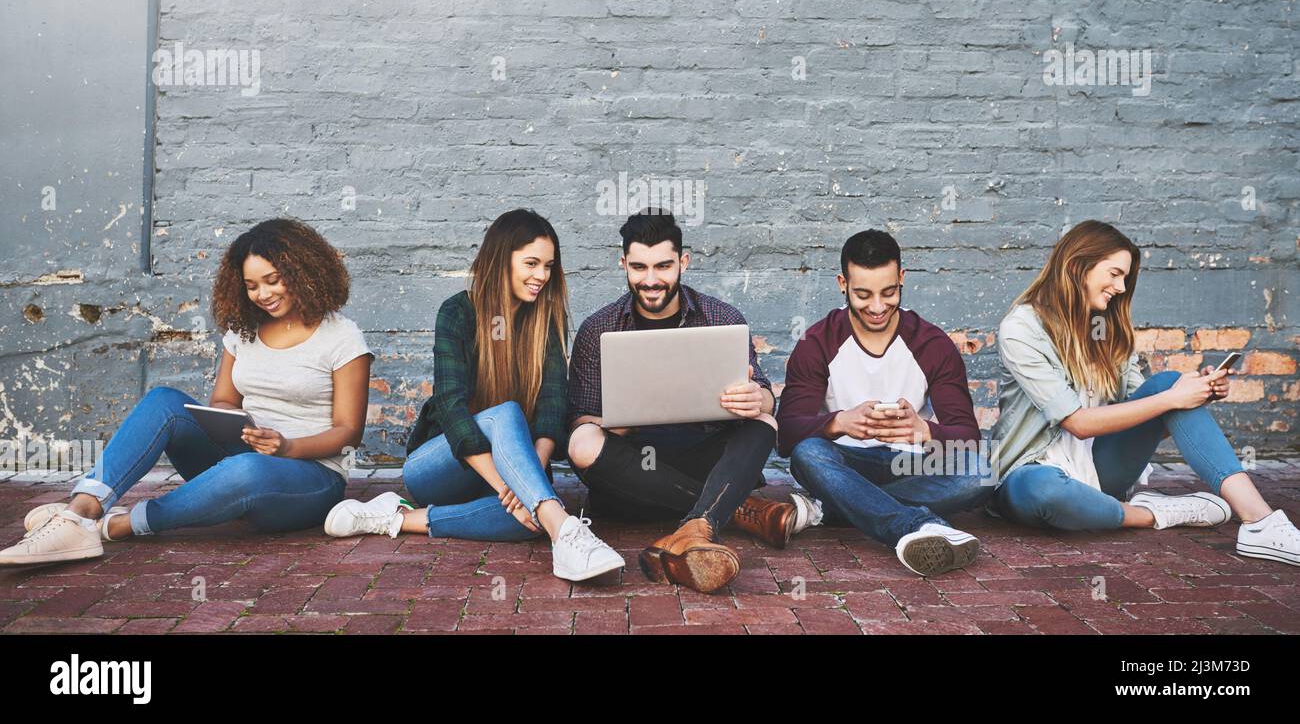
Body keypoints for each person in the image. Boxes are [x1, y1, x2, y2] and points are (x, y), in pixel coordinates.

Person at [1, 218, 372, 567]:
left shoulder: (341, 337)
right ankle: (80, 512)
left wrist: (286, 447)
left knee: (247, 468)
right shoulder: (243, 332)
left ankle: (118, 526)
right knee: (165, 401)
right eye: (251, 285)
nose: (262, 294)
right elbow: (224, 400)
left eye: (272, 280)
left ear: (302, 273)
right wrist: (236, 424)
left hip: (309, 479)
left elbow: (348, 432)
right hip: (243, 455)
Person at [324, 209, 624, 583]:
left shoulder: (545, 319)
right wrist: (510, 486)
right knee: (506, 417)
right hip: (440, 465)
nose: (541, 276)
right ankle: (565, 529)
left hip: (514, 466)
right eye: (531, 263)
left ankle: (395, 518)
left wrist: (528, 486)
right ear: (501, 260)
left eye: (548, 266)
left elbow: (553, 404)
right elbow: (451, 407)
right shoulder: (457, 312)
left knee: (529, 522)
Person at [988, 219, 1300, 566]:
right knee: (1044, 492)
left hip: (1101, 470)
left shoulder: (1107, 329)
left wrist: (1194, 395)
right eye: (1115, 273)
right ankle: (1152, 512)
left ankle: (1261, 523)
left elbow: (1155, 415)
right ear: (1078, 266)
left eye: (1126, 278)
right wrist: (1172, 399)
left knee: (1169, 383)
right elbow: (1077, 423)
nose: (1121, 287)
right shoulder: (1022, 327)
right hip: (1030, 471)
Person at [566, 210, 820, 595]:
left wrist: (760, 398)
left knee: (764, 421)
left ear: (683, 262)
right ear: (623, 265)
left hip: (707, 463)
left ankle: (695, 529)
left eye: (663, 266)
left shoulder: (720, 317)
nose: (651, 280)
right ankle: (737, 512)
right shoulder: (598, 328)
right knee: (582, 441)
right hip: (632, 476)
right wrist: (618, 420)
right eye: (639, 267)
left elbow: (766, 396)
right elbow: (577, 420)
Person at [778, 229, 991, 576]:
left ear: (902, 279)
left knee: (979, 474)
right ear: (842, 284)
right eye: (863, 294)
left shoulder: (932, 343)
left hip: (907, 466)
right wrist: (838, 423)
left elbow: (968, 437)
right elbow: (786, 436)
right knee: (808, 455)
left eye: (889, 292)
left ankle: (836, 506)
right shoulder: (817, 342)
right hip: (845, 462)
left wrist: (924, 431)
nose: (877, 307)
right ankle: (915, 526)